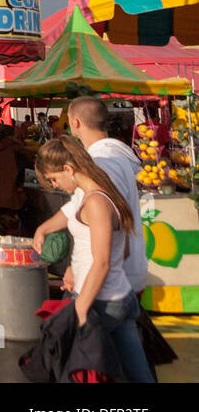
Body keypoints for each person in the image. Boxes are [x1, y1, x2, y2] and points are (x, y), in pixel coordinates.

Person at [33, 136, 154, 382]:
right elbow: (124, 250)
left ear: (68, 169)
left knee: (68, 367)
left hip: (101, 300)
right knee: (136, 373)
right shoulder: (103, 194)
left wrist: (80, 307)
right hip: (116, 296)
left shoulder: (96, 201)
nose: (55, 185)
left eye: (54, 179)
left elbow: (102, 261)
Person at [66, 96, 147, 295]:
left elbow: (106, 220)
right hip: (122, 268)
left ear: (76, 123)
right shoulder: (118, 155)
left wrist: (79, 266)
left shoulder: (102, 161)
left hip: (109, 277)